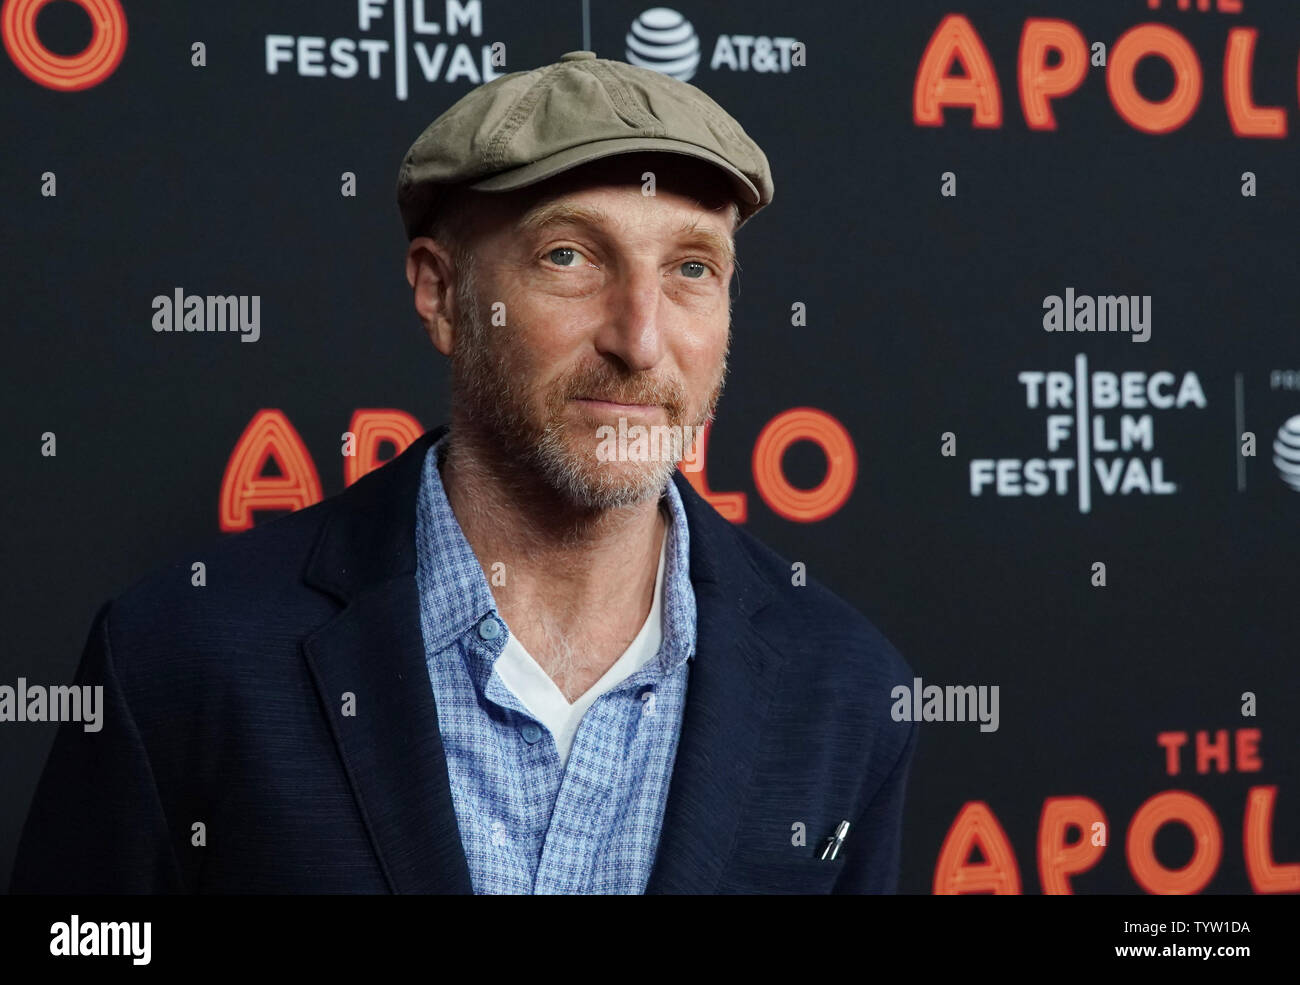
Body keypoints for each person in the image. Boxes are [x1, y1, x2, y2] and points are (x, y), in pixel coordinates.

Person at [11, 50, 917, 894]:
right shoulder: (181, 656)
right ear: (441, 294)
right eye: (569, 256)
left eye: (690, 267)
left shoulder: (842, 689)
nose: (640, 339)